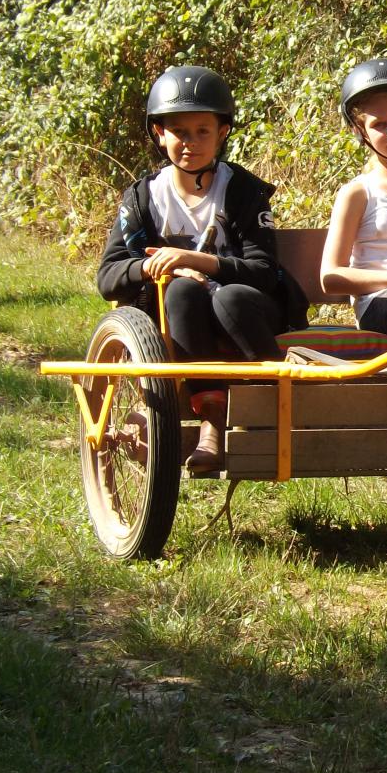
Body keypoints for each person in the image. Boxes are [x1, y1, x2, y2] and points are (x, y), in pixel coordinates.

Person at [98, 65, 305, 473]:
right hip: (176, 312)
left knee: (227, 296)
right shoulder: (143, 199)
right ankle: (211, 418)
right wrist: (157, 268)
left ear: (223, 132)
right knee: (181, 291)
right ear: (160, 133)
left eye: (202, 131)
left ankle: (267, 400)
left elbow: (263, 270)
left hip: (246, 306)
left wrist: (195, 260)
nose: (190, 143)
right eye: (179, 132)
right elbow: (108, 276)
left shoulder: (243, 191)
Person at [319, 58, 387, 340]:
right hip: (382, 304)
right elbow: (330, 277)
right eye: (379, 125)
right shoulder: (358, 193)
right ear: (360, 131)